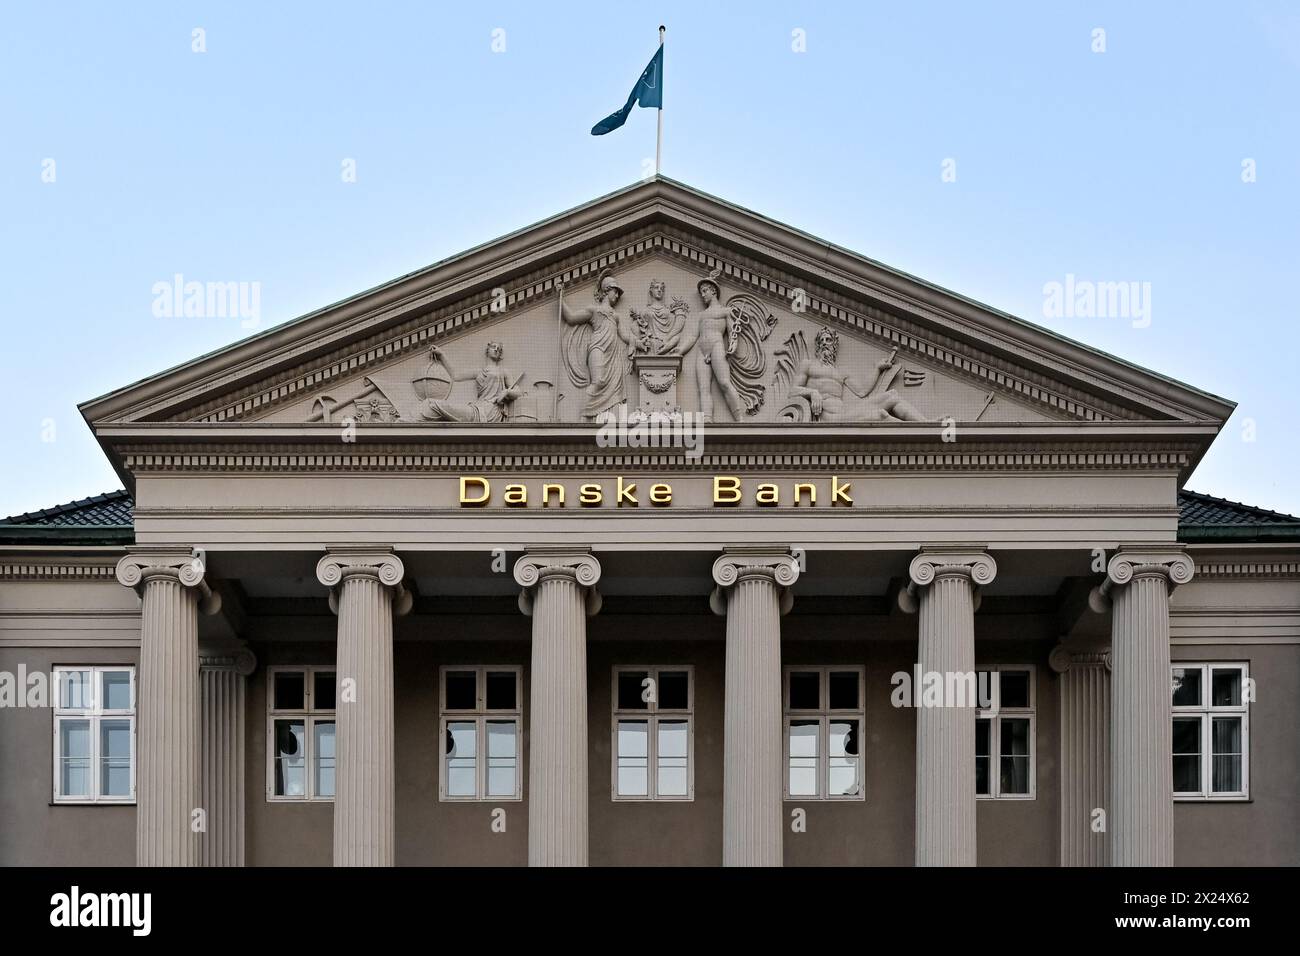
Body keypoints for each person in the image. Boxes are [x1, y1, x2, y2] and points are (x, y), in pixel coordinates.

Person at [559, 269, 636, 419]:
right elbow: (571, 318)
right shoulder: (594, 310)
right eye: (616, 291)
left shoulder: (616, 316)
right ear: (607, 290)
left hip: (613, 356)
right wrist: (561, 298)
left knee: (614, 388)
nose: (618, 295)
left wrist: (638, 342)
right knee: (598, 381)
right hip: (598, 349)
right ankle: (583, 417)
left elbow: (625, 335)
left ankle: (607, 418)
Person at [420, 341, 520, 423]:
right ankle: (414, 420)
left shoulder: (503, 371)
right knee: (433, 403)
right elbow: (456, 376)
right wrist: (442, 355)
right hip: (478, 408)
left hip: (489, 412)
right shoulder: (479, 372)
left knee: (436, 405)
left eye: (499, 349)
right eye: (493, 347)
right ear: (487, 350)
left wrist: (507, 392)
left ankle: (415, 419)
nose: (496, 349)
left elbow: (518, 392)